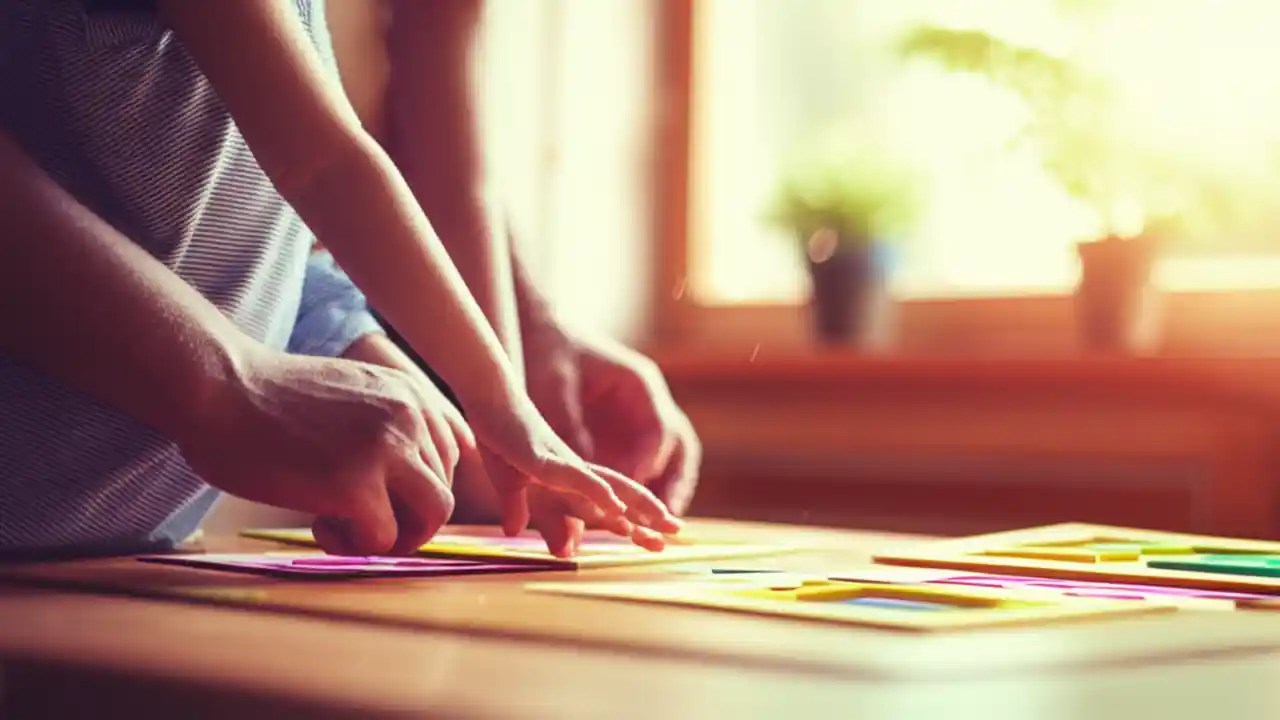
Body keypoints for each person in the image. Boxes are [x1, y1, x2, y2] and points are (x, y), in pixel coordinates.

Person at [0, 0, 696, 559]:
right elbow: (326, 162)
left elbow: (255, 228)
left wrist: (390, 373)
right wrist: (499, 401)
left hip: (126, 560)